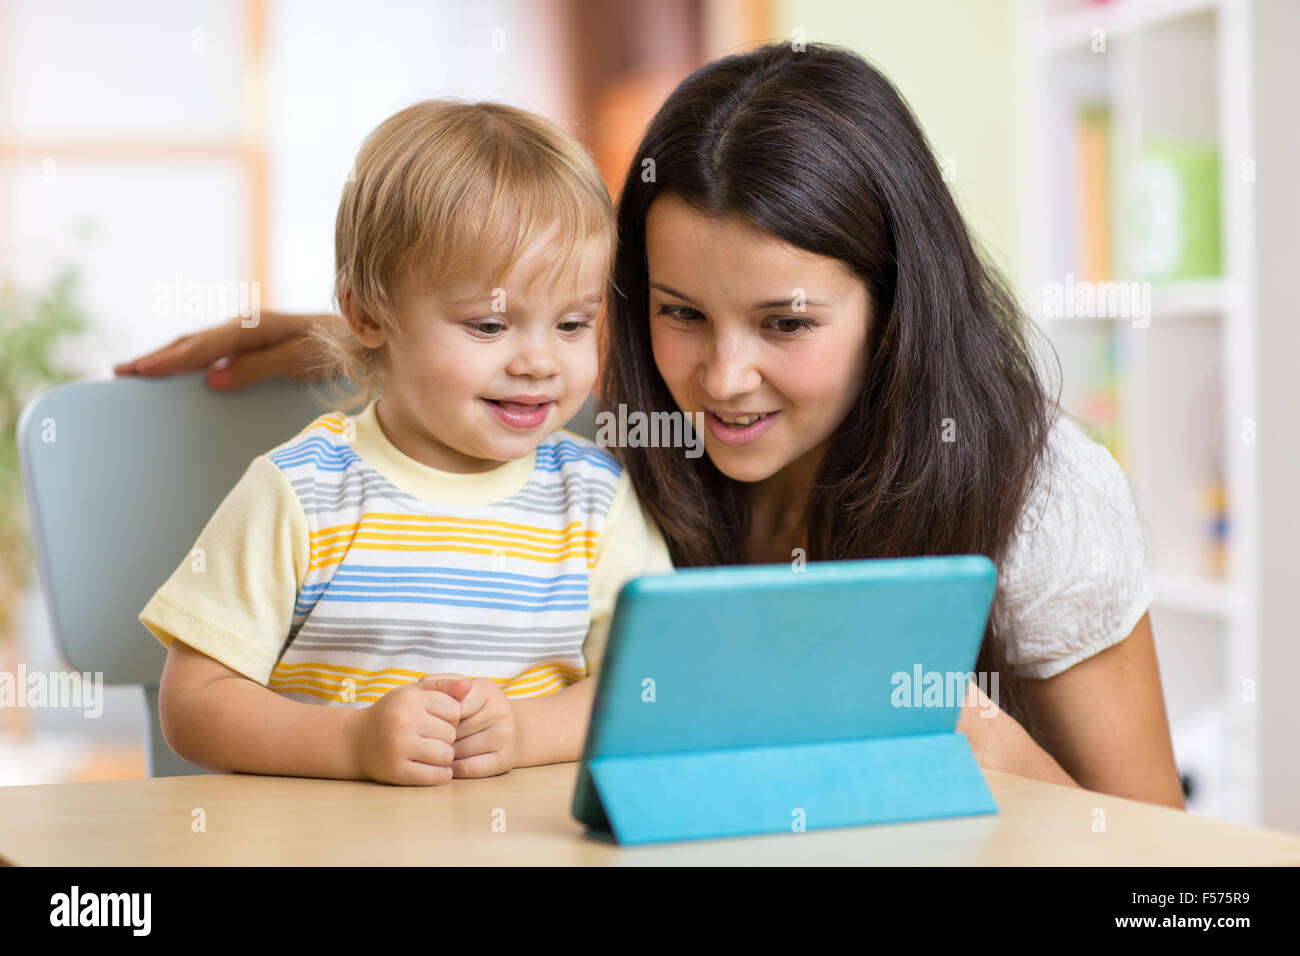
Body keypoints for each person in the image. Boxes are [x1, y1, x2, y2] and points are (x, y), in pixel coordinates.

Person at [119, 43, 1185, 809]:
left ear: (898, 307)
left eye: (786, 322)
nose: (720, 380)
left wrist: (969, 734)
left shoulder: (1036, 492)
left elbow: (1171, 875)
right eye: (678, 311)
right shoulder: (613, 432)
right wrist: (365, 333)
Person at [136, 100, 673, 786]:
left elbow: (650, 688)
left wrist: (524, 731)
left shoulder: (597, 499)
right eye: (489, 326)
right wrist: (353, 742)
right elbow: (194, 706)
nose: (540, 361)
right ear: (366, 313)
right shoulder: (301, 492)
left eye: (572, 324)